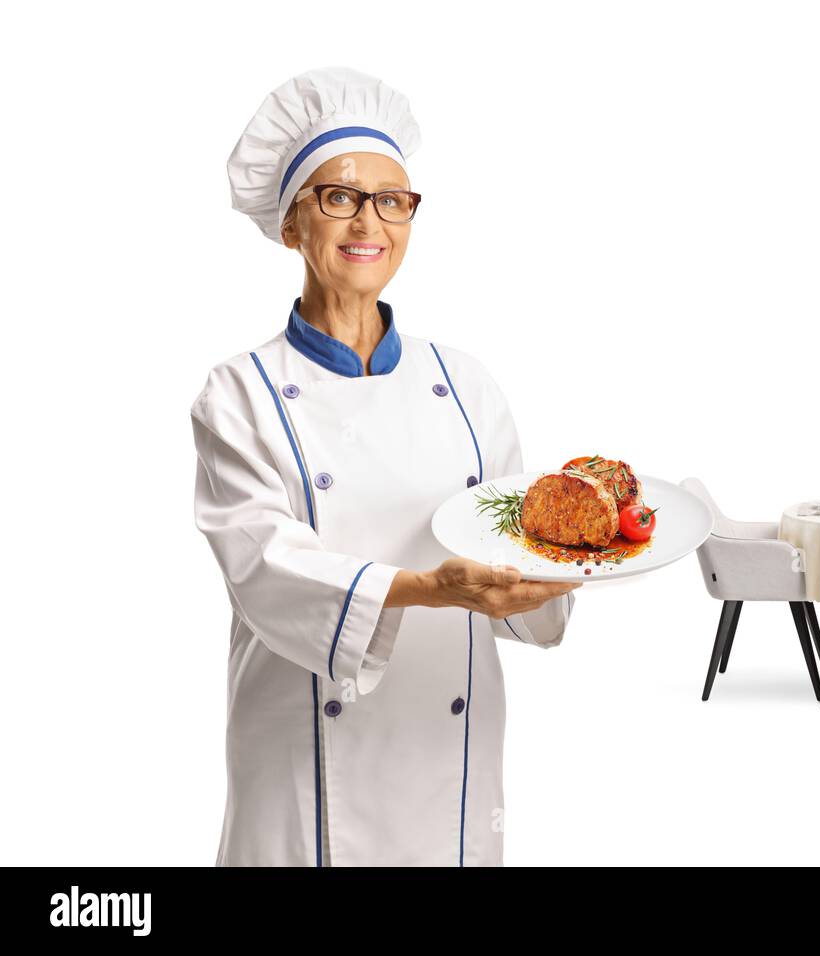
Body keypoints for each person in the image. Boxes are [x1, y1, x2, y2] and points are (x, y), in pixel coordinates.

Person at [192, 66, 580, 866]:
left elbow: (521, 570)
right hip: (304, 766)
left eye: (392, 199)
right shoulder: (241, 392)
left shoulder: (467, 383)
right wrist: (429, 592)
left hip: (451, 770)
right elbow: (267, 570)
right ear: (291, 223)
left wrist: (569, 561)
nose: (369, 220)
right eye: (339, 196)